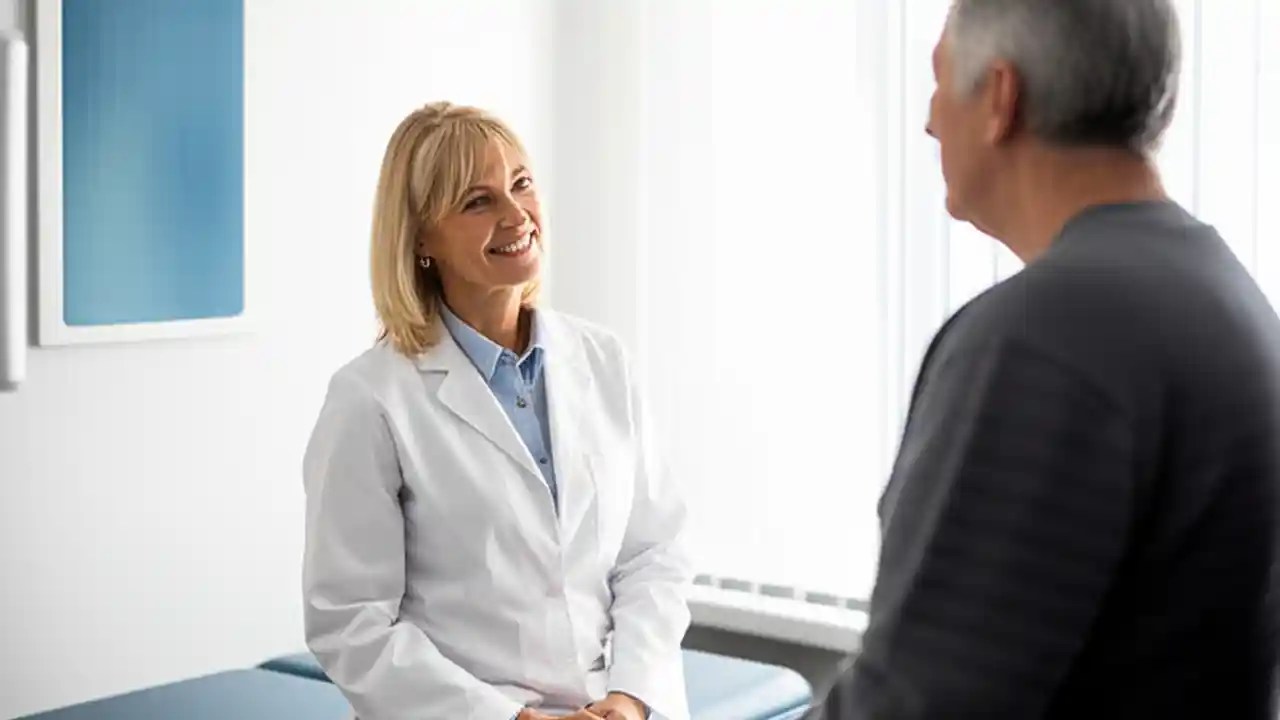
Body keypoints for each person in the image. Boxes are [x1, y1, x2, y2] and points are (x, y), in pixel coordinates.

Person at [812, 1, 1280, 717]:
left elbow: (913, 706)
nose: (930, 122)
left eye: (938, 83)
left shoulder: (1041, 341)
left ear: (1001, 97)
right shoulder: (1227, 296)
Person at [302, 102, 692, 720]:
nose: (517, 215)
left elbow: (653, 552)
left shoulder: (604, 359)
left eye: (521, 184)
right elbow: (352, 624)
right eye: (477, 201)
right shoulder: (370, 398)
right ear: (422, 236)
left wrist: (632, 696)